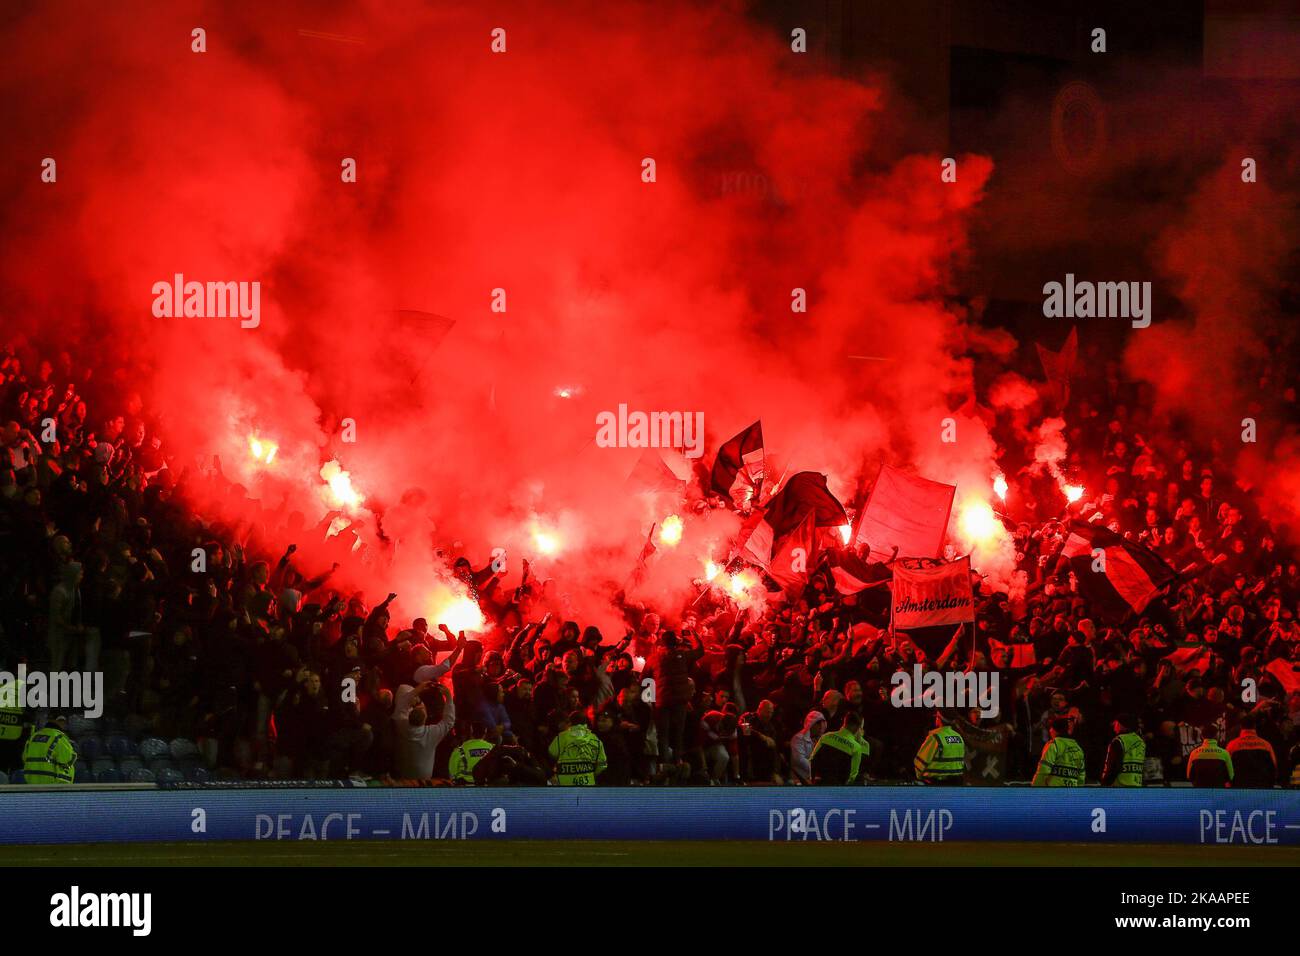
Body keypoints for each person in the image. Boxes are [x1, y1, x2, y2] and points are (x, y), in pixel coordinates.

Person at [392, 681, 455, 780]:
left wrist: (417, 689)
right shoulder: (432, 734)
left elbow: (402, 705)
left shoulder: (400, 724)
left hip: (402, 772)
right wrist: (449, 696)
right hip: (423, 777)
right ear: (425, 719)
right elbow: (449, 721)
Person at [548, 710, 607, 786]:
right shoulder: (595, 740)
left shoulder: (561, 738)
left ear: (570, 722)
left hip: (565, 785)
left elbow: (552, 753)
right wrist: (591, 774)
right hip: (588, 784)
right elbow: (602, 765)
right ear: (585, 723)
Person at [810, 711, 868, 785]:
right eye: (861, 728)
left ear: (845, 722)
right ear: (857, 727)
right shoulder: (856, 748)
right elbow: (852, 777)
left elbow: (812, 759)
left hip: (818, 784)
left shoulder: (826, 736)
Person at [22, 715, 77, 785]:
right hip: (53, 784)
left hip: (31, 783)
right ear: (60, 721)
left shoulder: (33, 736)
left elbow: (24, 757)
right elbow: (66, 759)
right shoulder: (59, 737)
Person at [1225, 714, 1277, 788]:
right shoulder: (1266, 745)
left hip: (1239, 788)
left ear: (1241, 726)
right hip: (1262, 787)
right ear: (1255, 726)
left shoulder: (1232, 745)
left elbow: (1226, 767)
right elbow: (1274, 766)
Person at [914, 711, 965, 785]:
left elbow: (920, 763)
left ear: (939, 719)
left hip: (936, 784)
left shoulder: (935, 738)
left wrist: (920, 777)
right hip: (956, 783)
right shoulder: (958, 737)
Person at [1032, 717, 1085, 787]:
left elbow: (1044, 769)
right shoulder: (1078, 748)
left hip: (1054, 792)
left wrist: (1036, 787)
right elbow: (1081, 775)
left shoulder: (1053, 745)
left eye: (1051, 728)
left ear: (1055, 730)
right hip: (1072, 793)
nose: (1050, 730)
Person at [1101, 714, 1145, 787]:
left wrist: (1105, 783)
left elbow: (1114, 766)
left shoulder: (1118, 741)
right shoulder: (1141, 741)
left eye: (1116, 723)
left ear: (1121, 724)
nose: (1114, 726)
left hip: (1119, 786)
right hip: (1136, 785)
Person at [789, 710, 826, 785]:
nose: (821, 728)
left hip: (814, 779)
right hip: (799, 779)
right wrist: (817, 770)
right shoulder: (798, 739)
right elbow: (799, 760)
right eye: (819, 725)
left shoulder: (820, 739)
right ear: (811, 724)